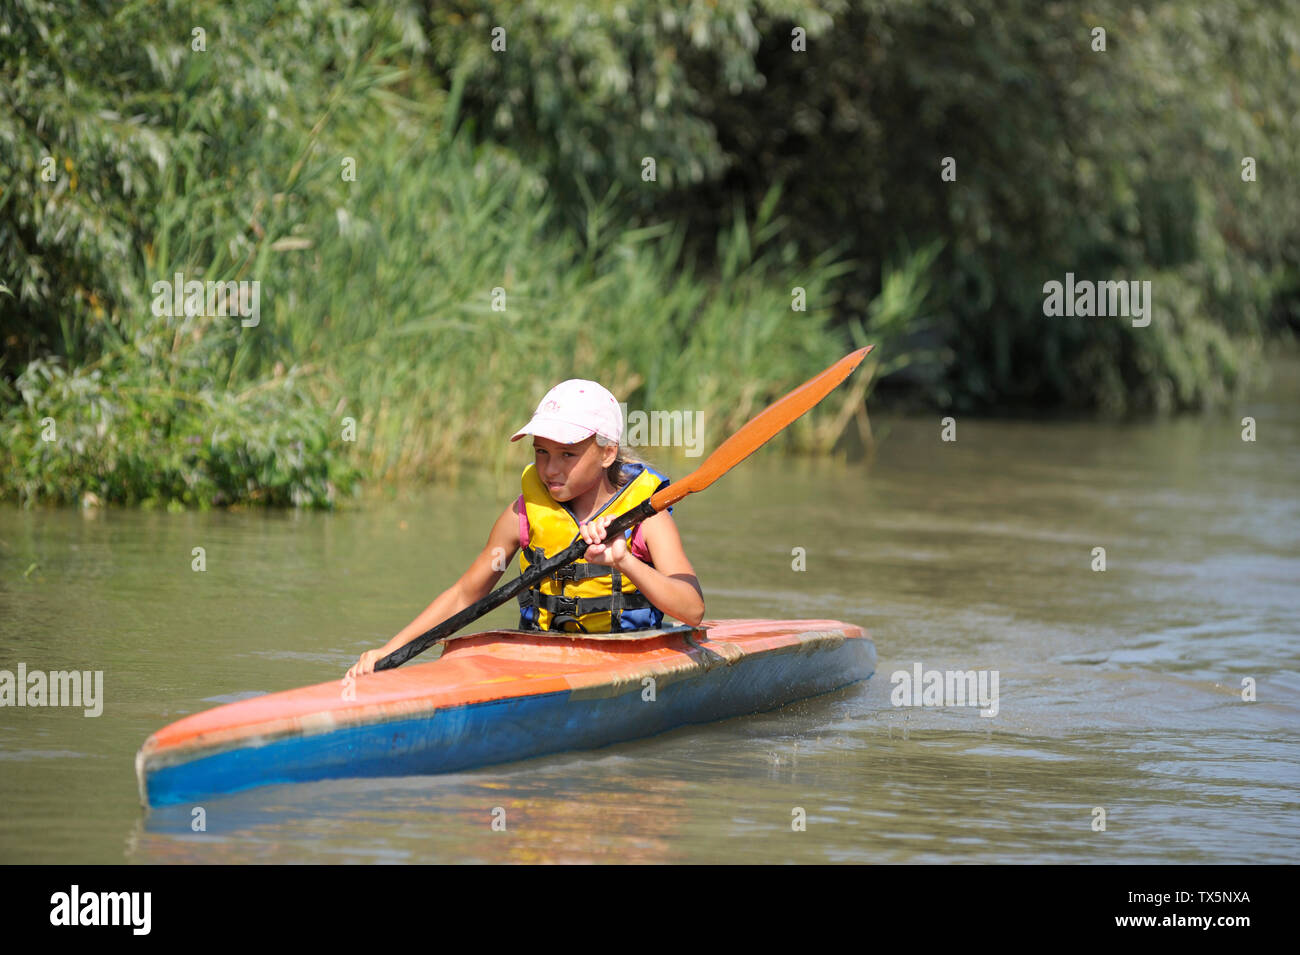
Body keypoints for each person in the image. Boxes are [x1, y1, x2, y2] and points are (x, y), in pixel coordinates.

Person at [347, 379, 704, 678]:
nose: (549, 469)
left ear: (608, 453)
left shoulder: (647, 518)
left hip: (629, 661)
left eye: (567, 454)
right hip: (542, 662)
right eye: (541, 452)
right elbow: (464, 595)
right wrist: (389, 651)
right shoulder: (523, 514)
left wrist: (625, 561)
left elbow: (691, 609)